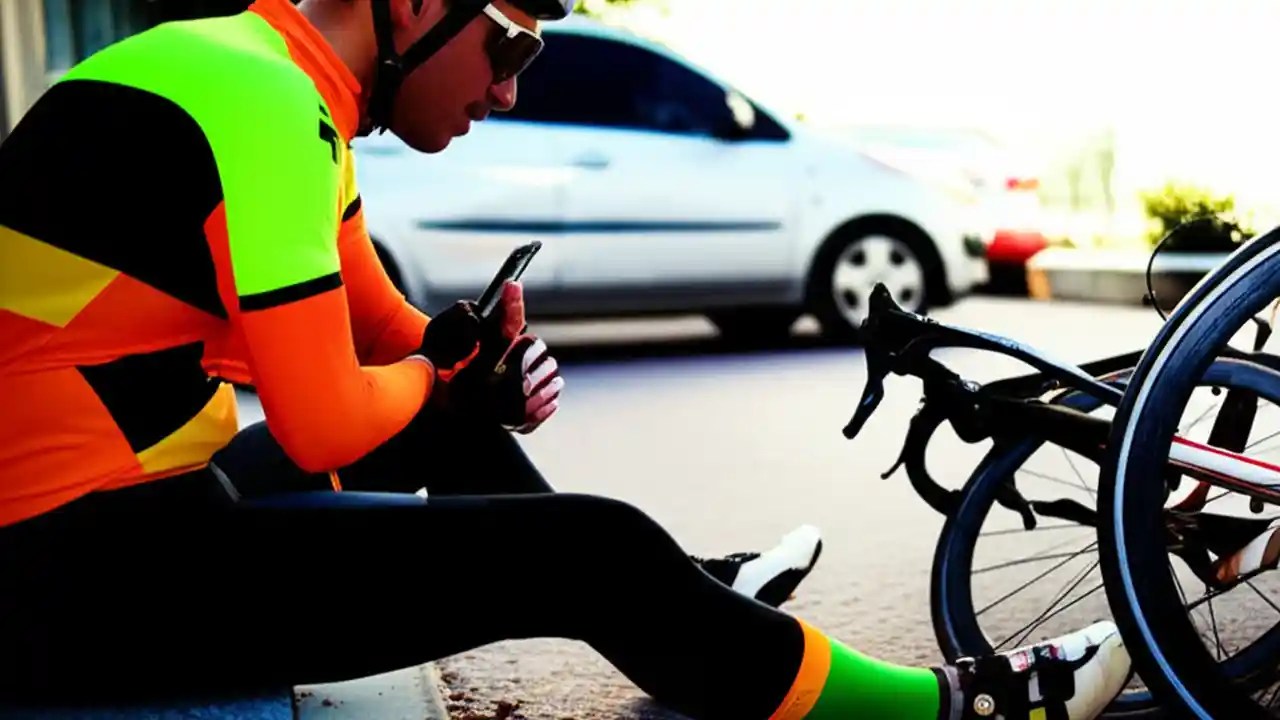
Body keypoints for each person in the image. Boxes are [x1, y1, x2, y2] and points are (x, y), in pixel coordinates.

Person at [0, 0, 1132, 718]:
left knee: (454, 428)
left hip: (117, 520)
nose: (509, 88)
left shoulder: (256, 80)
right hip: (65, 576)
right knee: (591, 548)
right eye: (508, 43)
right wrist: (447, 376)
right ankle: (968, 709)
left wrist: (472, 358)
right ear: (411, 6)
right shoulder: (266, 110)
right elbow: (324, 425)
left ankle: (691, 613)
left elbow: (395, 343)